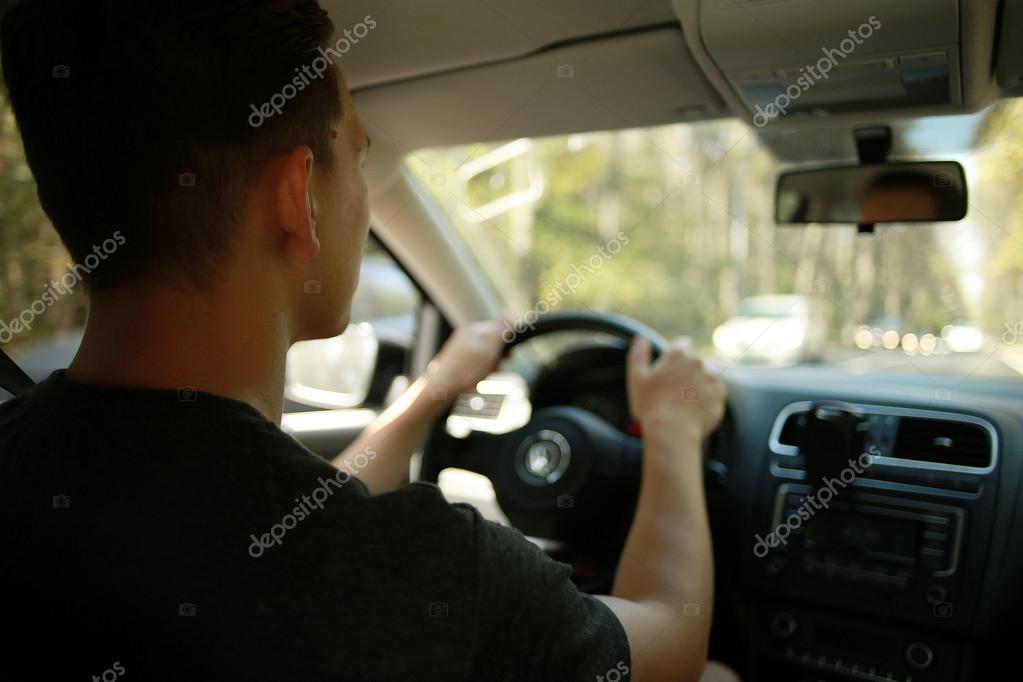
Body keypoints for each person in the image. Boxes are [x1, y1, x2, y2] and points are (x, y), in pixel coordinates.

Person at [0, 1, 734, 680]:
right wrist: (670, 429)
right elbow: (671, 640)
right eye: (357, 157)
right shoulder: (432, 574)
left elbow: (288, 527)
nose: (362, 187)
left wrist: (430, 395)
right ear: (299, 199)